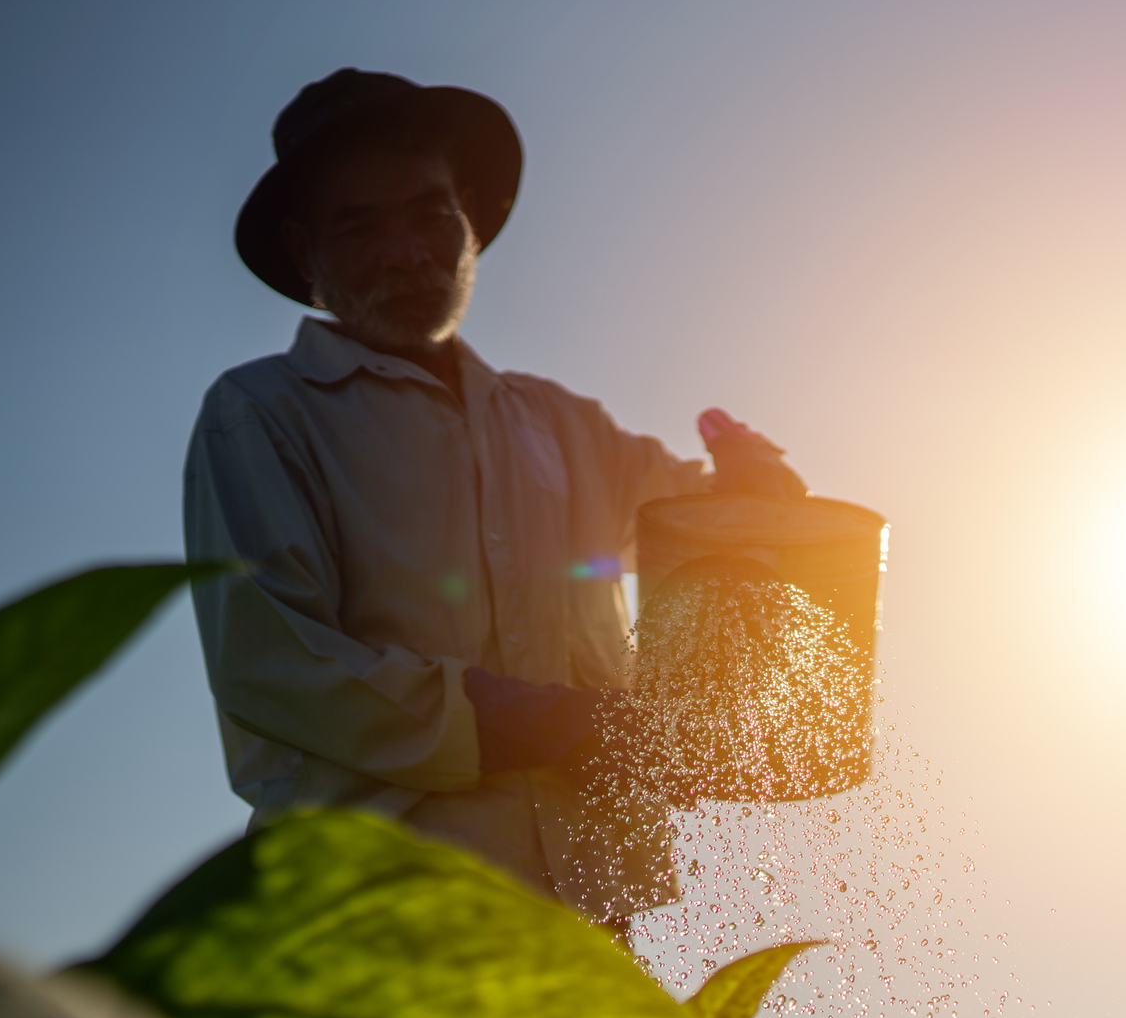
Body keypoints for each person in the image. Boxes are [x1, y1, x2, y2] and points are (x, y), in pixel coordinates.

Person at [184, 68, 805, 927]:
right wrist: (535, 721)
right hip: (382, 913)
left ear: (469, 217)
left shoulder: (559, 422)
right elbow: (276, 663)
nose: (406, 251)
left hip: (592, 908)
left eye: (430, 214)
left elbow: (698, 526)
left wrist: (752, 480)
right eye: (359, 224)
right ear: (304, 250)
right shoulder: (262, 415)